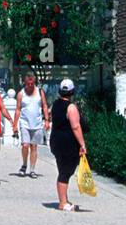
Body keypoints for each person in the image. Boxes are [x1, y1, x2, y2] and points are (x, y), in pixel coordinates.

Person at [48, 77, 87, 211]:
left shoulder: (55, 104)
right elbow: (76, 126)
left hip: (56, 142)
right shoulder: (71, 107)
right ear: (72, 92)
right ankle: (63, 203)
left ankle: (64, 199)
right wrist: (82, 144)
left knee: (62, 170)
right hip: (67, 144)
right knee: (65, 172)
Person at [12, 71, 50, 178]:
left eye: (32, 83)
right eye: (28, 83)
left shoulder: (39, 92)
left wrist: (46, 120)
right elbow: (18, 109)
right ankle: (24, 165)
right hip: (24, 123)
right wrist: (15, 125)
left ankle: (32, 169)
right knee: (25, 145)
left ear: (34, 82)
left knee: (34, 146)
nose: (30, 85)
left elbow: (44, 106)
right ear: (25, 82)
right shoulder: (21, 93)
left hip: (37, 123)